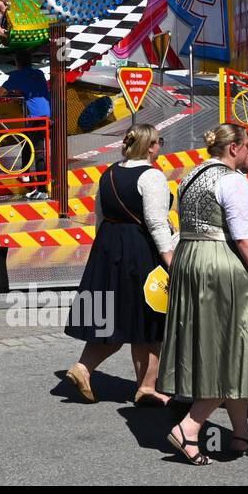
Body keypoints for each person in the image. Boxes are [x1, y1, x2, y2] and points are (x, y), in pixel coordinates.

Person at [158, 124, 248, 466]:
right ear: (234, 149)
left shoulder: (191, 176)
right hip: (222, 266)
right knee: (231, 348)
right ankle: (190, 428)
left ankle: (241, 434)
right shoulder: (234, 181)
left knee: (212, 346)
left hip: (191, 260)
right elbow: (243, 238)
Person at [64, 124, 175, 405]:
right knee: (149, 317)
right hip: (139, 250)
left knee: (110, 316)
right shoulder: (152, 176)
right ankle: (145, 387)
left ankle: (88, 369)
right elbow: (156, 223)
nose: (160, 146)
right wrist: (171, 259)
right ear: (150, 146)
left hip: (108, 245)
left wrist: (103, 247)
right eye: (158, 142)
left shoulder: (109, 173)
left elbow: (99, 215)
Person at [0, 50, 52, 199]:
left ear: (17, 63)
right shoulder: (39, 73)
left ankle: (42, 189)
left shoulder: (17, 75)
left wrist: (13, 94)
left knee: (39, 151)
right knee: (26, 144)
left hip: (37, 118)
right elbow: (32, 88)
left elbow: (0, 93)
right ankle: (28, 178)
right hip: (46, 114)